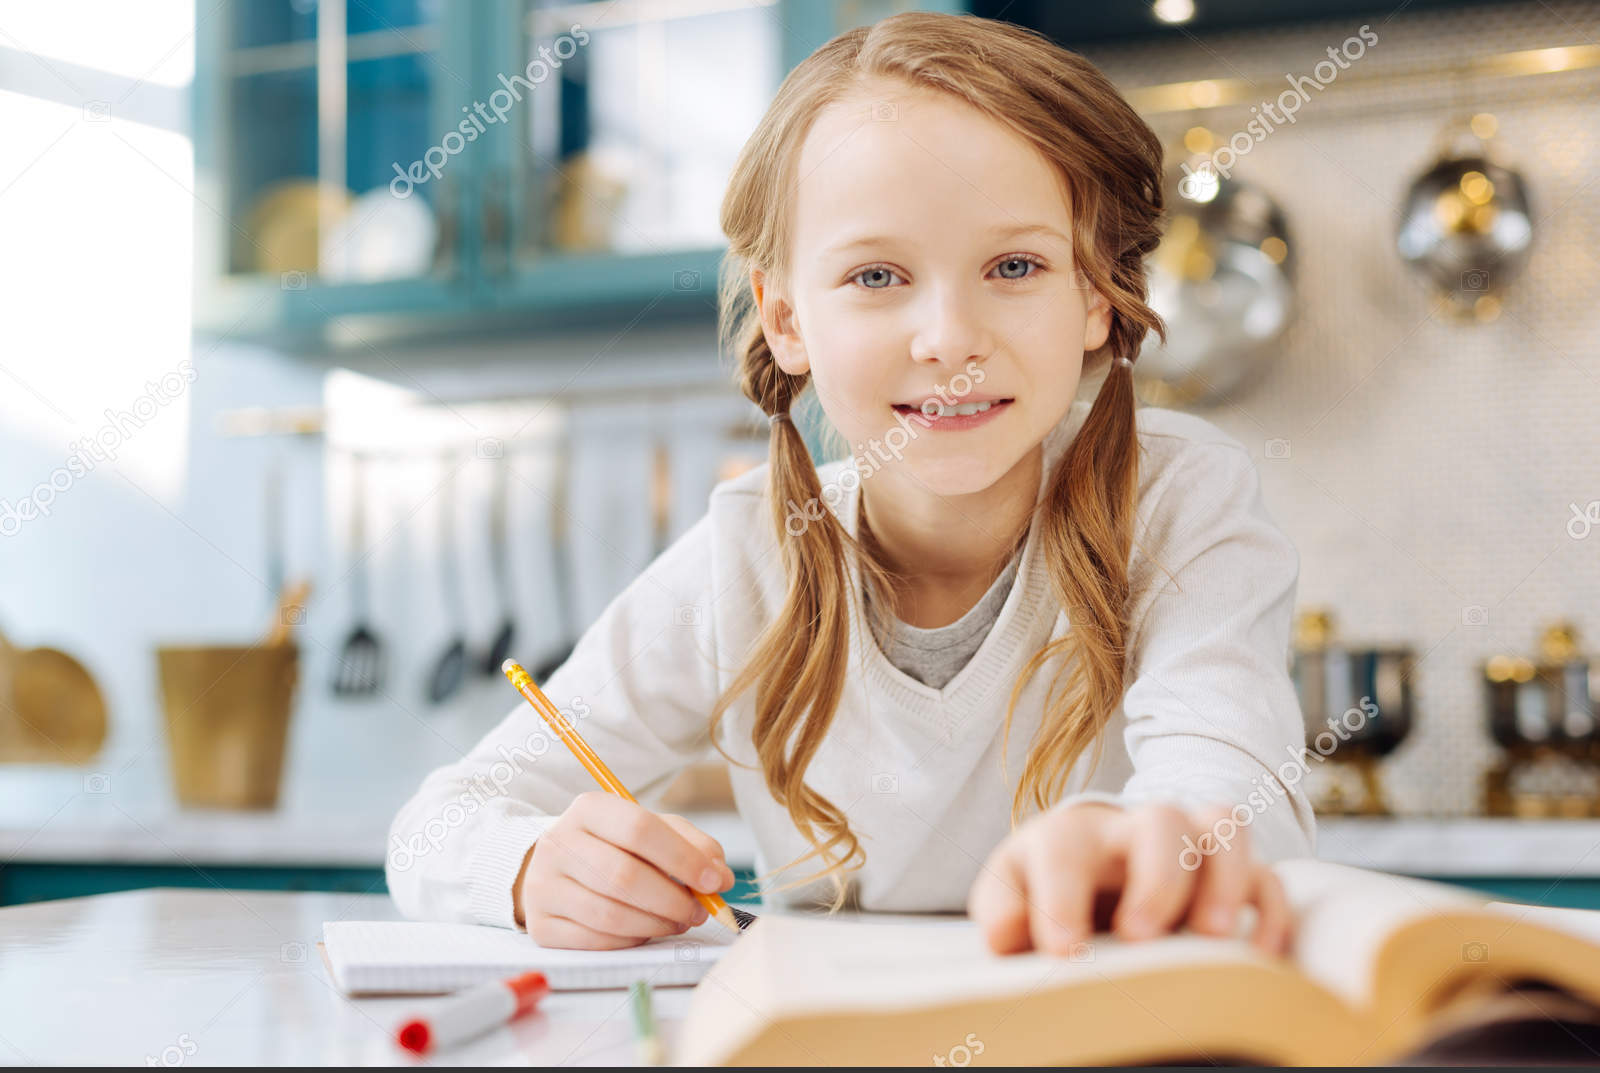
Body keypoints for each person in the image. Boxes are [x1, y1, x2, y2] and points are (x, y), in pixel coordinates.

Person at [386, 10, 1314, 958]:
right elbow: (431, 827)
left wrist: (1155, 839)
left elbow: (1237, 785)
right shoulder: (747, 554)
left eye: (1016, 265)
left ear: (1094, 294)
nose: (949, 338)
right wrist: (528, 864)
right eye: (877, 274)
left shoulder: (1177, 501)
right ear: (787, 319)